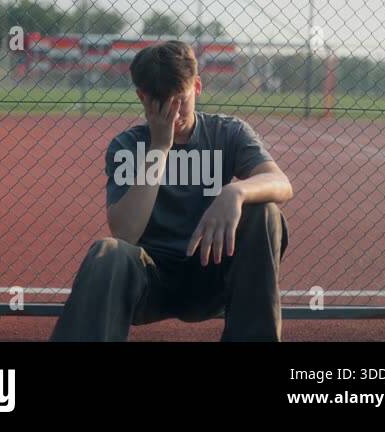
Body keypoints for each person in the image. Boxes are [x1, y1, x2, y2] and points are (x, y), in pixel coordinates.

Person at [50, 40, 293, 342]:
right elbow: (125, 231)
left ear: (198, 87)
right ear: (142, 97)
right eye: (161, 105)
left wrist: (235, 193)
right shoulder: (127, 147)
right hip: (152, 280)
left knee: (265, 211)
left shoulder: (227, 132)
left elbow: (281, 183)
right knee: (108, 252)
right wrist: (159, 148)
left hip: (211, 273)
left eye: (181, 100)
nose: (174, 115)